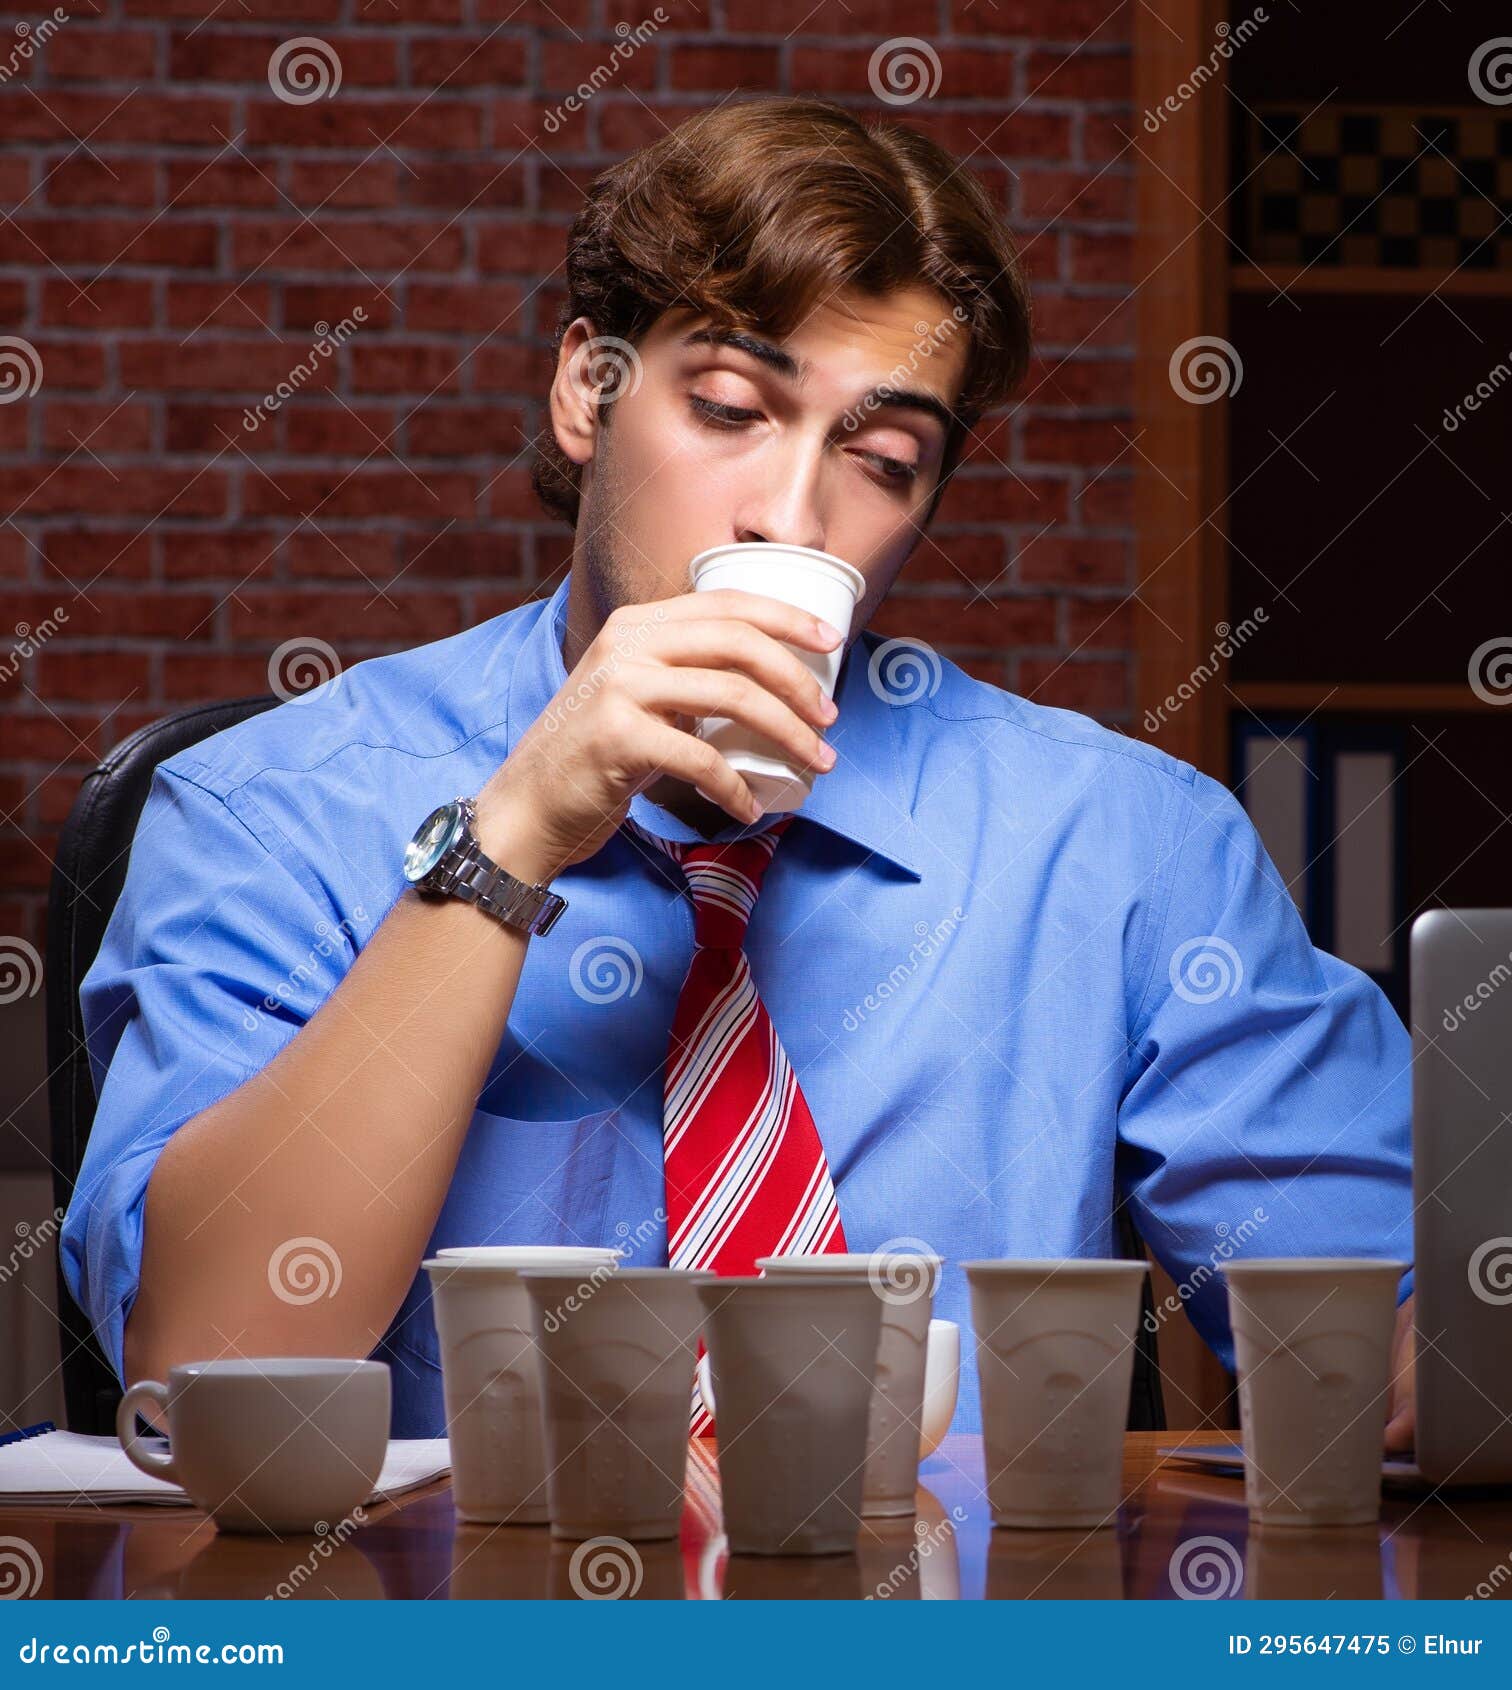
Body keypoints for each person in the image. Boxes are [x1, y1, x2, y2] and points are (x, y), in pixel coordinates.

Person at [60, 94, 1416, 1444]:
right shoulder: (272, 807)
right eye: (728, 407)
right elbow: (207, 1360)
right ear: (587, 390)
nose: (792, 514)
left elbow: (1400, 1358)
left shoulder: (1124, 842)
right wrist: (513, 836)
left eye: (883, 460)